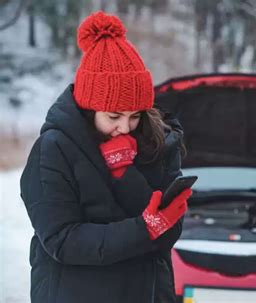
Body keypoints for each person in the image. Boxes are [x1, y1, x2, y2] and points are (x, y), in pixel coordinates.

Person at [20, 11, 191, 303]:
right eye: (114, 116)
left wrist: (125, 175)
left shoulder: (157, 142)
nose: (124, 127)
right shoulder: (54, 149)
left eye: (135, 116)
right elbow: (61, 240)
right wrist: (144, 228)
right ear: (89, 108)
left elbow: (167, 233)